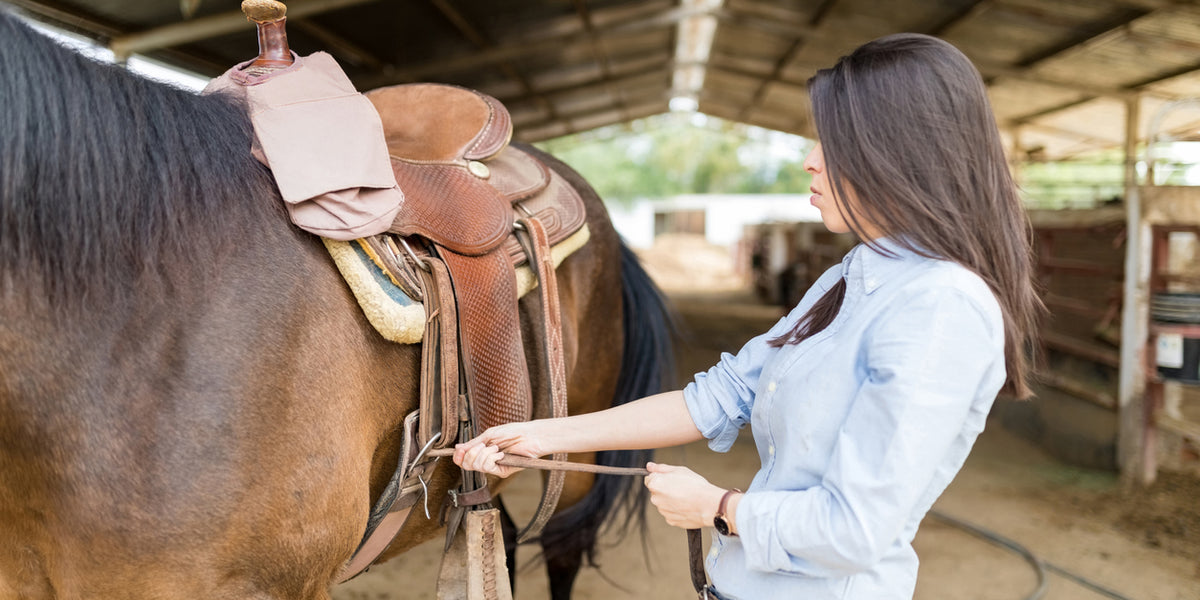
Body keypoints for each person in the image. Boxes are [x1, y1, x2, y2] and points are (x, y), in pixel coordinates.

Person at [454, 32, 1041, 600]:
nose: (811, 162)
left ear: (897, 151)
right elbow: (720, 395)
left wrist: (719, 508)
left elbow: (856, 528)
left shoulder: (941, 309)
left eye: (831, 143)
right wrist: (539, 435)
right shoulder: (853, 274)